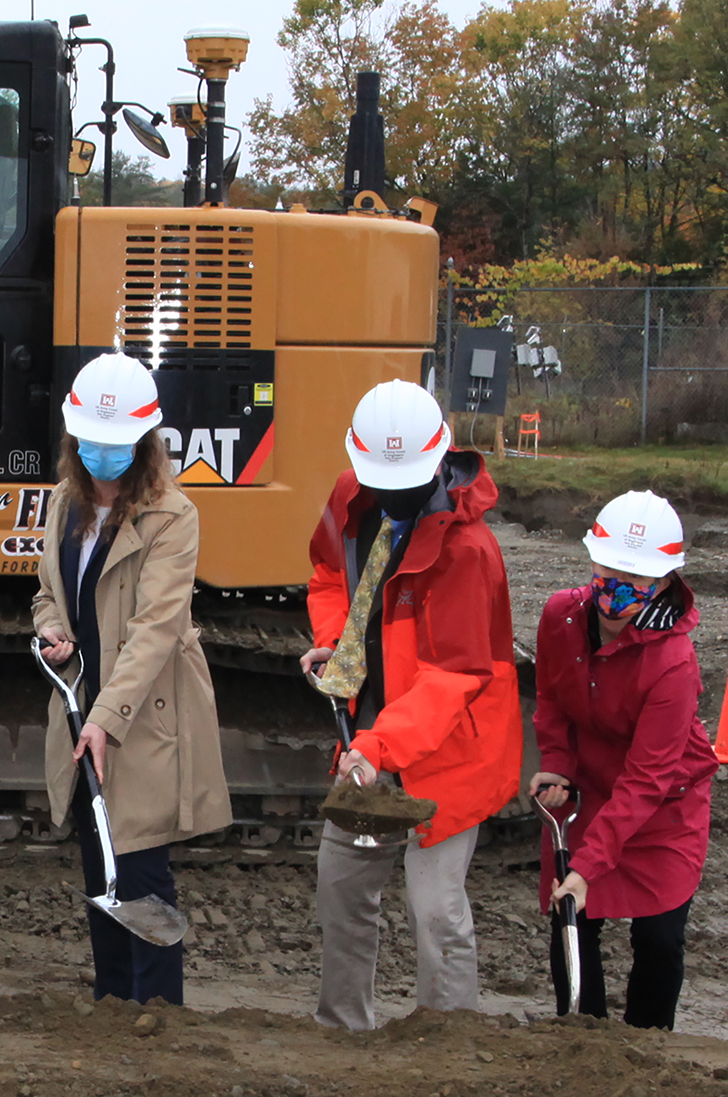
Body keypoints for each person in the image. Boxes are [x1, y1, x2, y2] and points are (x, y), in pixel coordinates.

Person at [300, 379, 521, 1031]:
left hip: (448, 753)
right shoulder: (350, 497)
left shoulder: (467, 550)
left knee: (436, 908)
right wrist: (333, 644)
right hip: (371, 741)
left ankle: (446, 1043)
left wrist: (374, 748)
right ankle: (342, 1029)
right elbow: (328, 576)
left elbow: (451, 677)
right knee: (341, 888)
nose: (388, 492)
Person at [32, 353, 231, 1005]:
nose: (102, 455)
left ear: (143, 442)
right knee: (98, 861)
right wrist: (52, 630)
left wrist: (104, 719)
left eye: (116, 445)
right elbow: (47, 593)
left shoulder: (173, 516)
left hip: (144, 714)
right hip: (84, 701)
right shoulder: (63, 503)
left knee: (140, 865)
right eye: (91, 441)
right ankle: (113, 1001)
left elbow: (155, 630)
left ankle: (159, 1012)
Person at [531, 490, 714, 1030]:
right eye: (611, 572)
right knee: (571, 914)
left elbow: (648, 777)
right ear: (594, 561)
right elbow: (551, 696)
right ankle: (581, 1035)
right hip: (588, 786)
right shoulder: (561, 616)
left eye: (638, 582)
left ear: (662, 583)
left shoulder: (673, 664)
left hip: (664, 804)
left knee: (658, 936)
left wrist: (589, 866)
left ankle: (647, 1045)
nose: (620, 591)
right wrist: (558, 762)